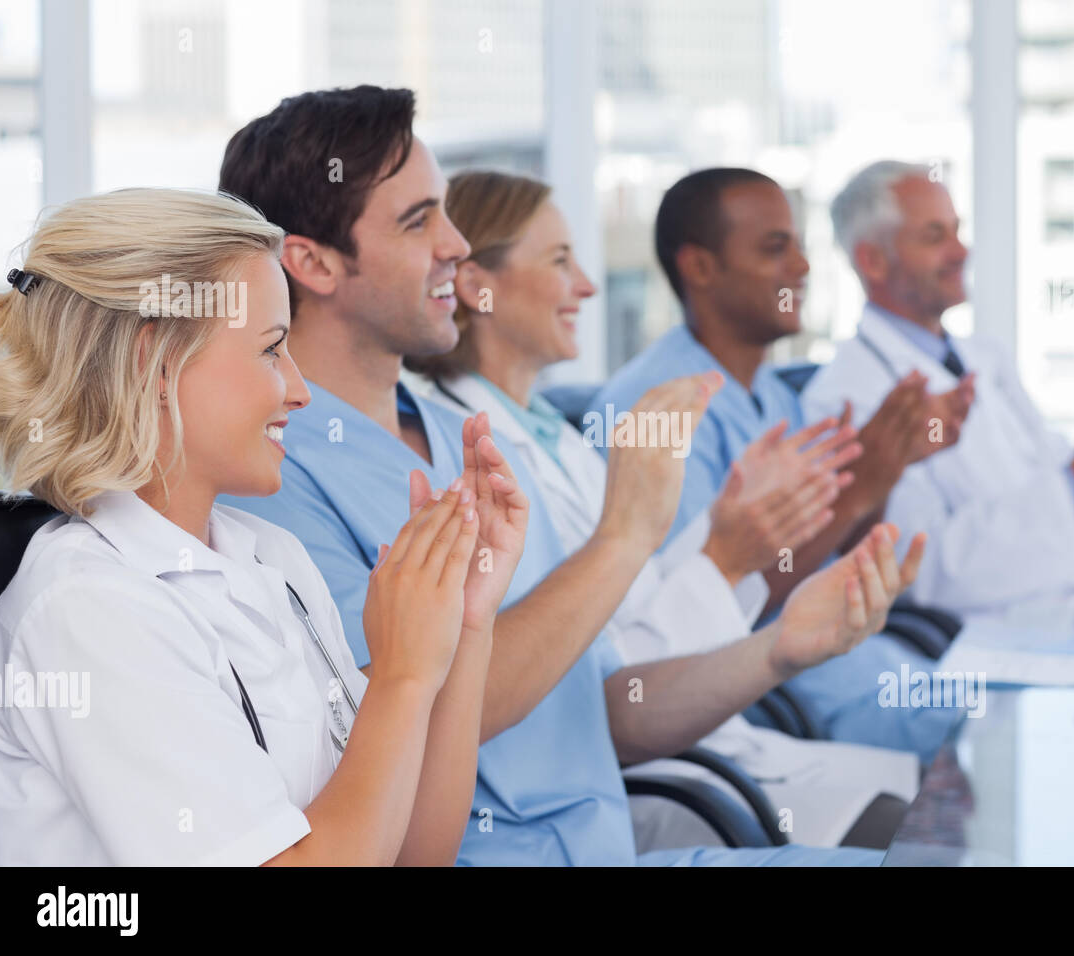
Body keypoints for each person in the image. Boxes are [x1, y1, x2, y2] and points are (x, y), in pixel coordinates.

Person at [218, 85, 925, 865]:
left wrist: (781, 649)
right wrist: (623, 538)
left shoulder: (470, 438)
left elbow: (607, 712)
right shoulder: (275, 477)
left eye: (447, 213)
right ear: (312, 261)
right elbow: (404, 710)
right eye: (418, 221)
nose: (456, 246)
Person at [0, 188, 510, 865]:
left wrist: (464, 621)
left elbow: (415, 852)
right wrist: (402, 677)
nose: (300, 388)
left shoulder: (271, 556)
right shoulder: (87, 607)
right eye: (271, 350)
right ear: (155, 363)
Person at [407, 169, 923, 850]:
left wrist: (728, 537)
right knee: (920, 828)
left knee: (934, 811)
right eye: (560, 261)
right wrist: (727, 552)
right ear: (478, 285)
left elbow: (634, 606)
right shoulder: (467, 456)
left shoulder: (556, 437)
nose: (588, 286)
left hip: (694, 739)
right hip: (638, 779)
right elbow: (605, 669)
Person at [590, 167, 971, 758]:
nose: (802, 268)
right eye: (775, 248)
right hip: (777, 694)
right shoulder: (654, 408)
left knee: (1007, 713)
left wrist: (888, 467)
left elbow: (837, 550)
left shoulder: (773, 394)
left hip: (855, 656)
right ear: (700, 267)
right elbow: (702, 606)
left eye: (798, 245)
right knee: (993, 740)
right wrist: (859, 487)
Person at [806, 160, 1074, 619]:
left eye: (957, 231)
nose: (961, 251)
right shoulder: (844, 395)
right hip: (985, 651)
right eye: (934, 236)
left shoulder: (987, 359)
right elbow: (919, 572)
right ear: (872, 260)